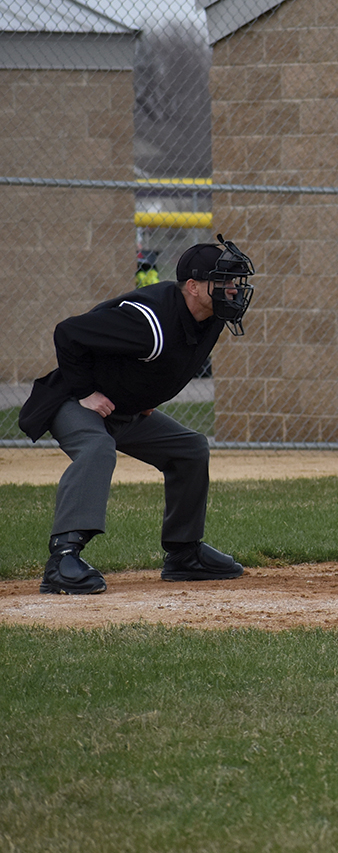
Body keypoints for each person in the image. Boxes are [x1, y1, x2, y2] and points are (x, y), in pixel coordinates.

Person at [18, 235, 255, 595]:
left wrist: (146, 394)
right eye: (221, 281)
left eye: (234, 282)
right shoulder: (149, 320)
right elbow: (68, 333)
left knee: (190, 449)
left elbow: (169, 364)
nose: (233, 290)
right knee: (96, 448)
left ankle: (183, 554)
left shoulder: (209, 317)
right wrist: (85, 392)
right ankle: (62, 559)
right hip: (72, 400)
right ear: (192, 286)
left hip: (123, 408)